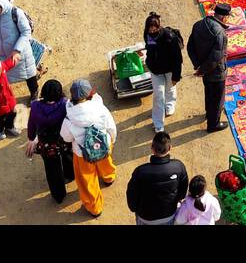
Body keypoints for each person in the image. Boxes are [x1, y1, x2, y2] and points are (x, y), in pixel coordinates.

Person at [60, 78, 118, 217]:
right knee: (106, 163)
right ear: (89, 93)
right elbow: (111, 127)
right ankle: (108, 177)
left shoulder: (69, 118)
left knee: (87, 180)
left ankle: (95, 207)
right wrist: (111, 141)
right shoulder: (100, 109)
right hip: (103, 145)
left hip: (82, 154)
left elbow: (66, 137)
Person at [0, 0, 39, 99]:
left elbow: (26, 32)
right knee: (4, 77)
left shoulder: (15, 12)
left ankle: (34, 93)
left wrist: (17, 50)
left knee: (29, 75)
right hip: (2, 53)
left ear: (2, 4)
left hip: (20, 53)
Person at [26, 80, 75, 203]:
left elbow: (31, 124)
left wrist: (31, 139)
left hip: (47, 144)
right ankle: (70, 174)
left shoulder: (35, 107)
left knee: (52, 169)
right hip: (63, 139)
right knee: (68, 156)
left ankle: (58, 195)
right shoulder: (65, 105)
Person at [126, 132, 189, 226]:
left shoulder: (140, 171)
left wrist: (135, 209)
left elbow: (131, 194)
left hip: (145, 217)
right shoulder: (178, 166)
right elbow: (182, 191)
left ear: (152, 148)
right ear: (170, 148)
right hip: (169, 214)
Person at [187, 3, 230, 133]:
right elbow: (215, 58)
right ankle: (213, 124)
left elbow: (190, 46)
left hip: (204, 70)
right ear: (223, 17)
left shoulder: (199, 24)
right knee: (217, 99)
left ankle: (208, 113)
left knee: (209, 93)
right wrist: (202, 70)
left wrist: (198, 65)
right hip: (216, 72)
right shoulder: (220, 34)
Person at [143, 12, 183, 133]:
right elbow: (149, 48)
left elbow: (178, 59)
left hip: (169, 69)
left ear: (159, 26)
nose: (152, 30)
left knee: (170, 88)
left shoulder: (170, 37)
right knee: (158, 95)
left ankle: (170, 104)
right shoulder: (147, 34)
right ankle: (158, 124)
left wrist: (176, 76)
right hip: (155, 70)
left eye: (154, 27)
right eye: (150, 28)